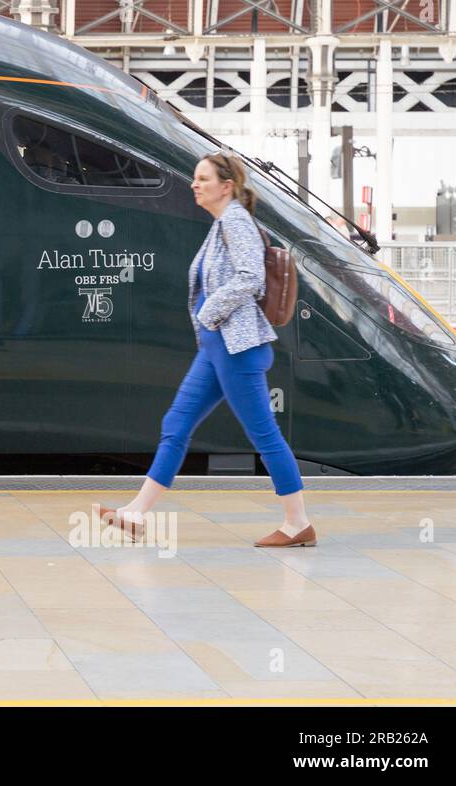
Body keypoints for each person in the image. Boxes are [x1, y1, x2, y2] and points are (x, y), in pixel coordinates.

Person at [96, 150, 315, 548]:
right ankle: (134, 513)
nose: (194, 184)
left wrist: (209, 311)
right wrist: (208, 321)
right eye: (195, 178)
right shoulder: (220, 225)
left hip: (237, 349)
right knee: (176, 424)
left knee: (264, 435)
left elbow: (251, 279)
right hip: (216, 347)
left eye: (203, 178)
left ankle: (298, 522)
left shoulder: (236, 222)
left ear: (226, 186)